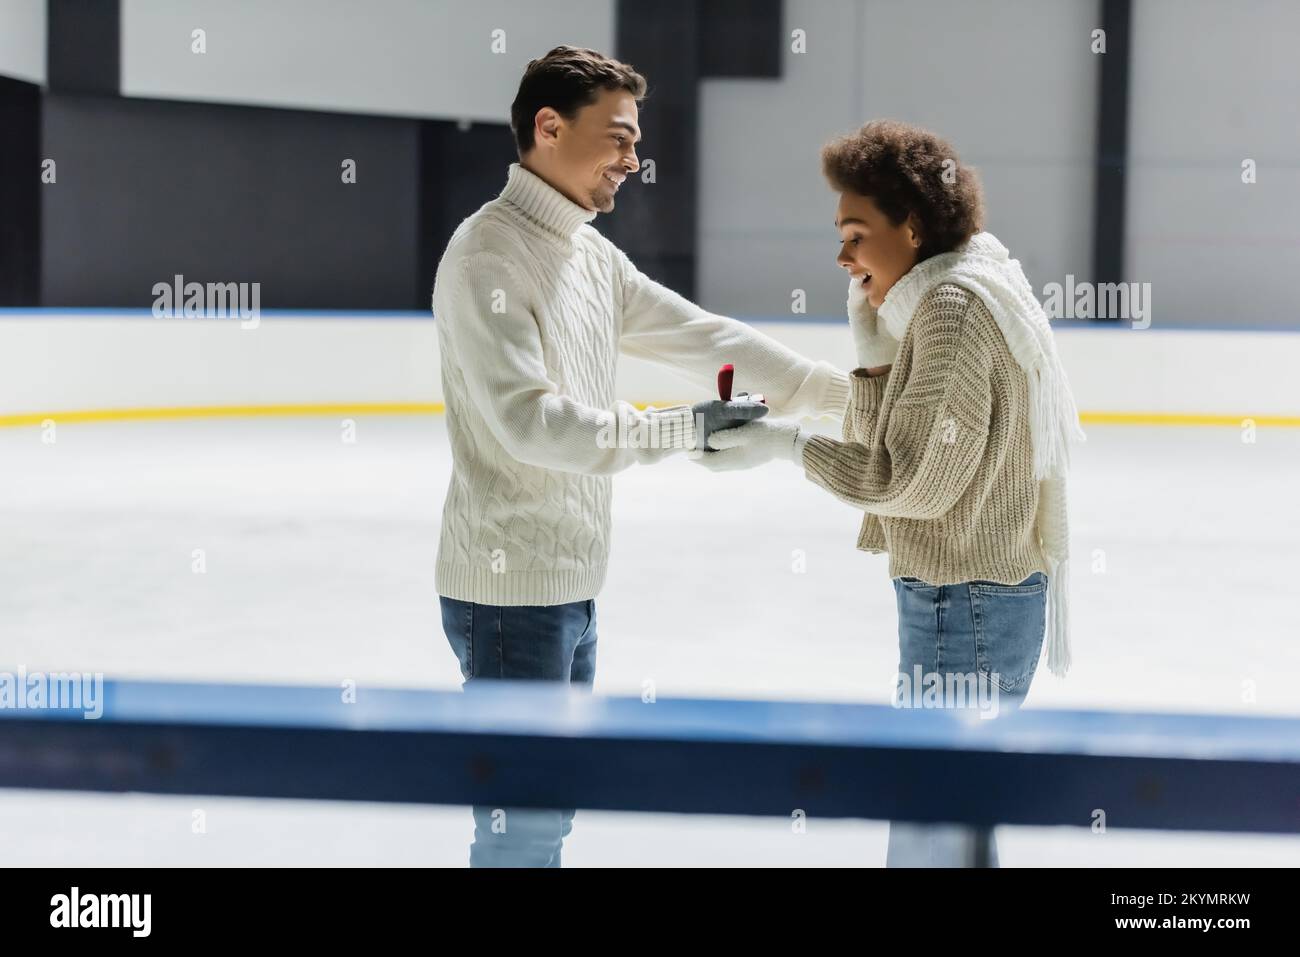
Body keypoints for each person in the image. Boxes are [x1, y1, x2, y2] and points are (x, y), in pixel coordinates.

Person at [431, 46, 851, 866]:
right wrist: (681, 429)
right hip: (510, 593)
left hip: (569, 585)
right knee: (523, 821)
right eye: (619, 138)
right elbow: (534, 425)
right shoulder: (488, 254)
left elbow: (707, 337)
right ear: (549, 127)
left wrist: (846, 399)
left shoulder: (589, 255)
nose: (635, 159)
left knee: (547, 809)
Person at [697, 119, 1087, 867]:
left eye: (854, 233)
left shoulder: (950, 311)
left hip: (963, 601)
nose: (841, 255)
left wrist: (785, 445)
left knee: (929, 818)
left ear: (910, 227)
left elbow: (907, 483)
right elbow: (902, 452)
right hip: (977, 596)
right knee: (955, 813)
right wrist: (874, 359)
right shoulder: (968, 283)